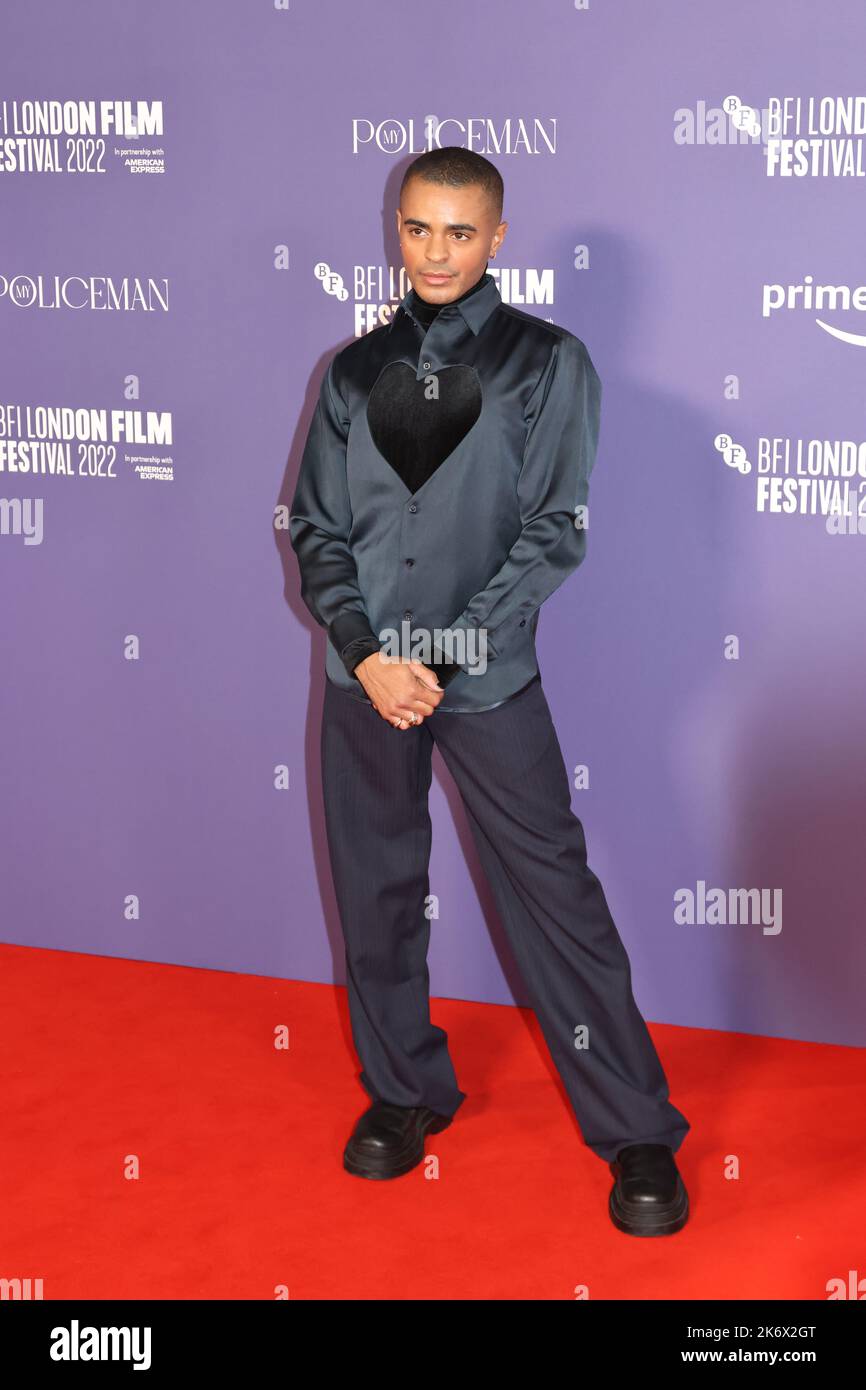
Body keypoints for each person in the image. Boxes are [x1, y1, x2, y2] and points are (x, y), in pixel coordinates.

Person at [289, 146, 690, 1236]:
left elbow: (551, 531)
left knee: (554, 897)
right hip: (363, 673)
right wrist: (370, 650)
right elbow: (319, 532)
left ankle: (636, 1128)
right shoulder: (349, 371)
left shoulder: (547, 365)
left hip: (483, 675)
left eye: (458, 232)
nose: (434, 252)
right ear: (397, 228)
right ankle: (404, 1091)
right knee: (373, 891)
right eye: (417, 229)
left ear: (496, 238)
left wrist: (445, 653)